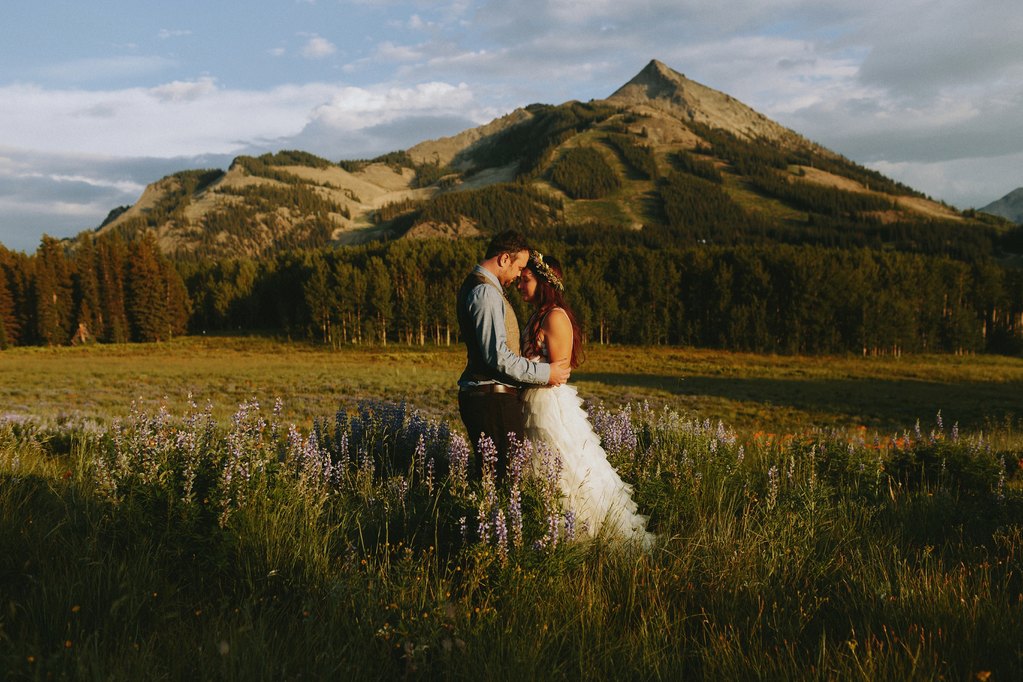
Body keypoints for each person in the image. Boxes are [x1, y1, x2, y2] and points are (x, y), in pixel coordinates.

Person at [517, 251, 654, 549]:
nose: (519, 285)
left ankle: (584, 535)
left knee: (565, 463)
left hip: (548, 403)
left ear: (543, 282)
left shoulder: (555, 316)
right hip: (529, 399)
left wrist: (522, 372)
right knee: (538, 465)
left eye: (525, 280)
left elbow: (561, 370)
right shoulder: (536, 316)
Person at [457, 230, 572, 482]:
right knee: (505, 480)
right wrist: (546, 373)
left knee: (501, 477)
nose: (519, 275)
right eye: (518, 267)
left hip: (492, 397)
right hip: (491, 398)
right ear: (503, 259)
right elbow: (497, 357)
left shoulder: (484, 288)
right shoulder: (485, 292)